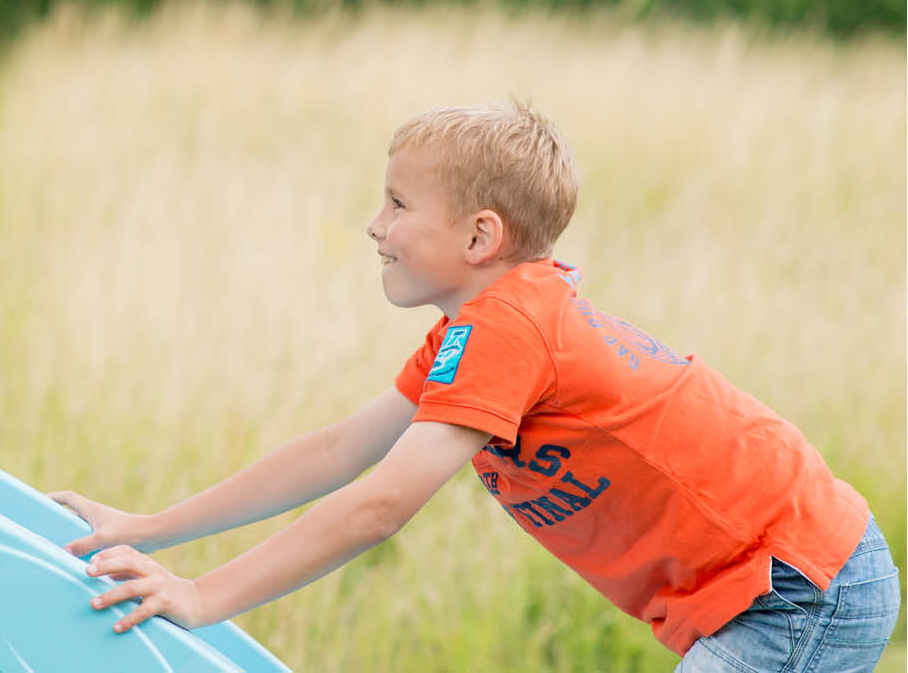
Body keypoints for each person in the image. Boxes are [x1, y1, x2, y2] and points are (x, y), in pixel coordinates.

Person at [52, 103, 897, 668]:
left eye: (395, 204)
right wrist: (151, 530)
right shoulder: (468, 333)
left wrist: (203, 596)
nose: (373, 226)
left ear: (479, 236)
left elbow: (381, 506)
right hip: (777, 580)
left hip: (794, 584)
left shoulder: (507, 326)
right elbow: (337, 452)